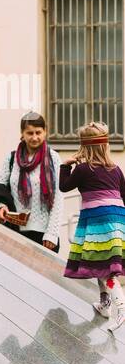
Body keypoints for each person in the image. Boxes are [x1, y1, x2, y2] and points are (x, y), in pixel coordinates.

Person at [60, 122, 125, 330]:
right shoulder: (116, 170)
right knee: (100, 262)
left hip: (97, 221)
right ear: (105, 146)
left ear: (84, 147)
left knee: (106, 270)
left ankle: (121, 308)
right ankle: (105, 305)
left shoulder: (82, 169)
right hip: (116, 219)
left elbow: (64, 186)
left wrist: (65, 165)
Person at [0, 112, 63, 251]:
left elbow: (58, 199)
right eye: (30, 133)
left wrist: (52, 233)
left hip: (44, 235)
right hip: (14, 231)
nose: (34, 137)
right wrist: (1, 206)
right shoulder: (12, 158)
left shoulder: (53, 158)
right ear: (22, 134)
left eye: (38, 132)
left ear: (45, 132)